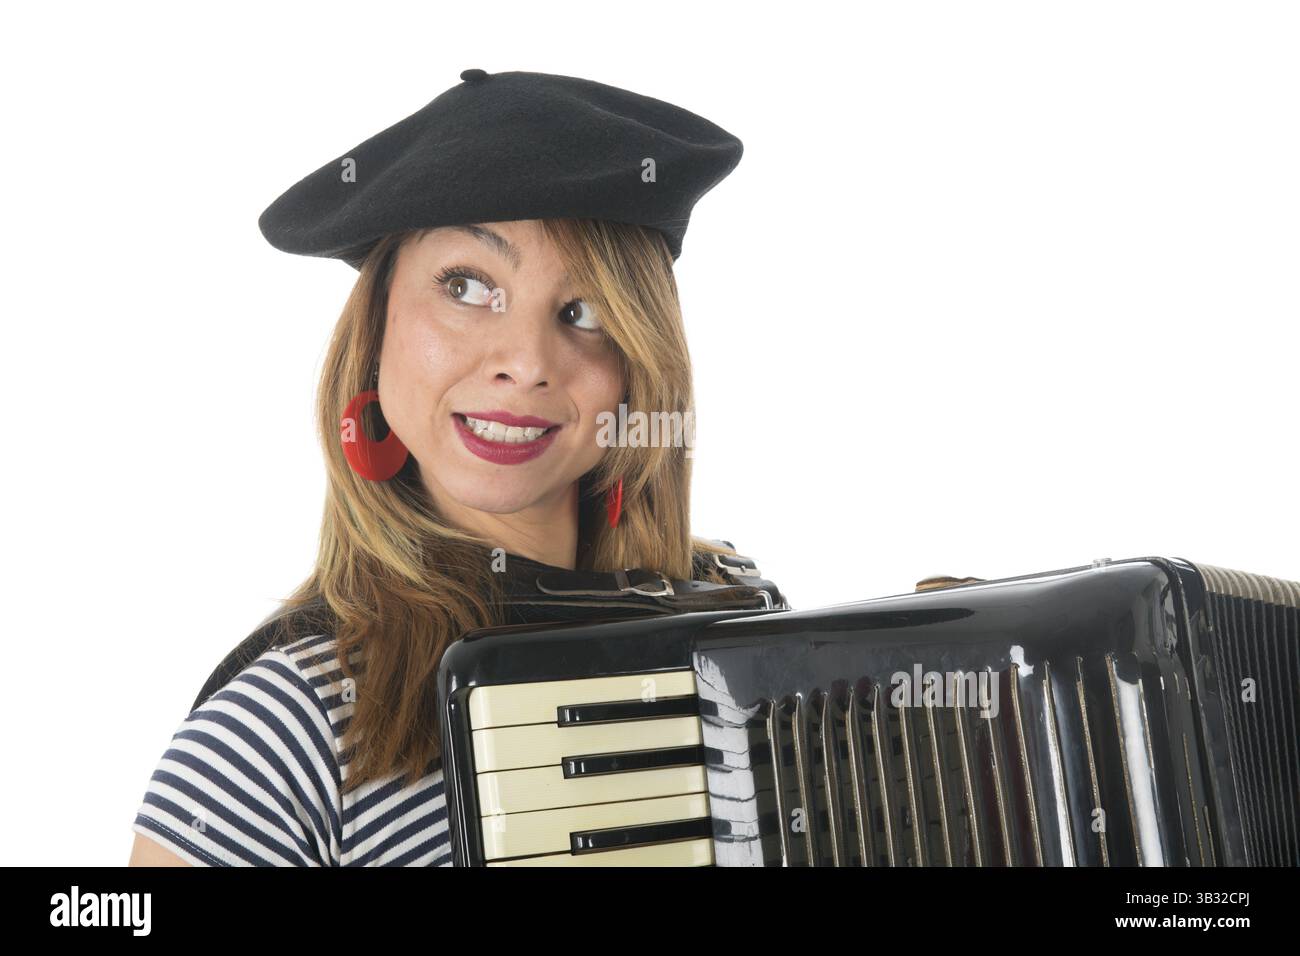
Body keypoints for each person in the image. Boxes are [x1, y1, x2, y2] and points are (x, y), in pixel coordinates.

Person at [128, 69, 789, 867]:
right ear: (376, 327)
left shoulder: (734, 618)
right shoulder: (279, 730)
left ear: (638, 369)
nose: (527, 363)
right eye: (468, 286)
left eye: (585, 312)